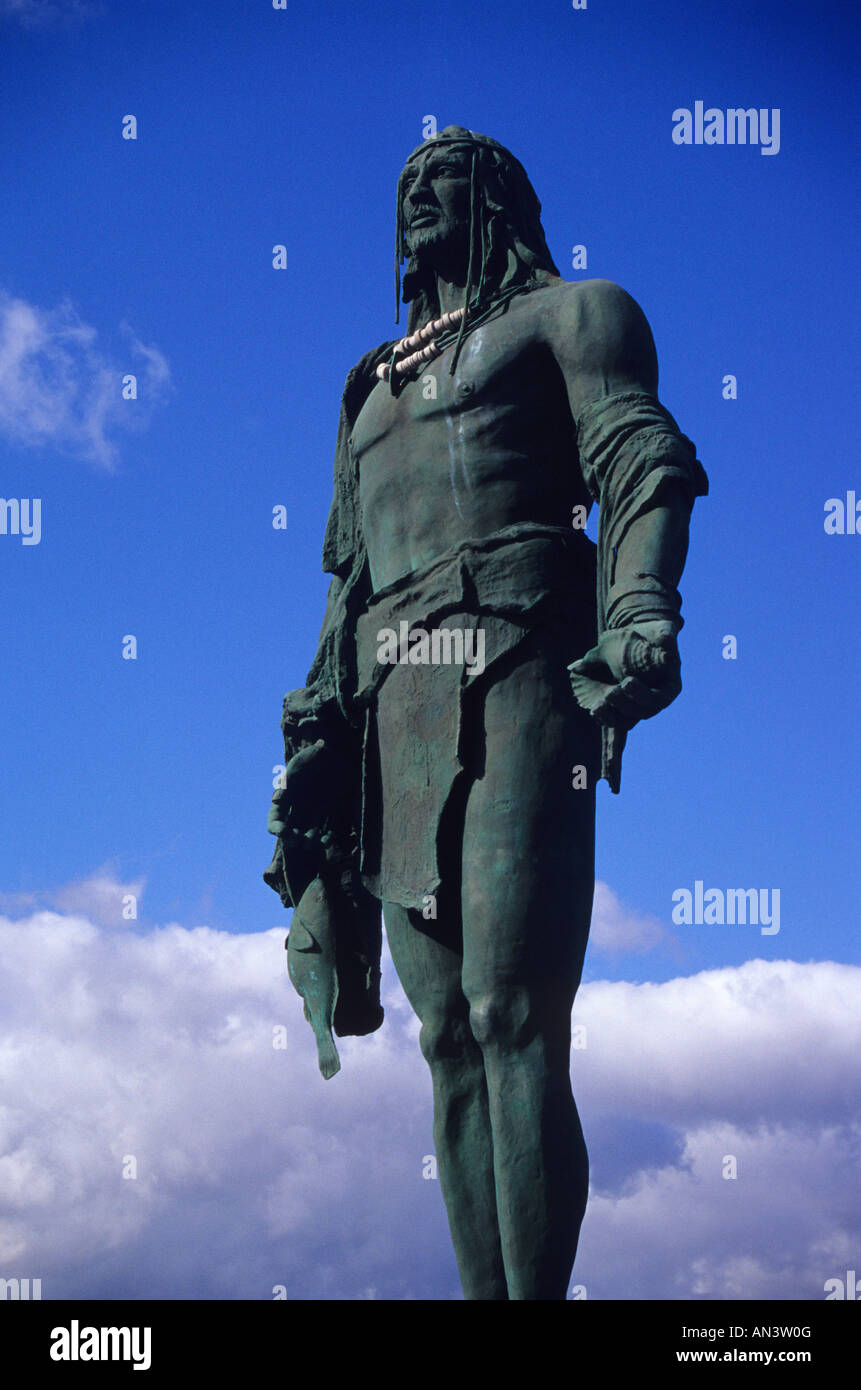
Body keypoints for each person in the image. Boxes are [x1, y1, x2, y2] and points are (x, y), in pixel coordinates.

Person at [265, 126, 707, 1300]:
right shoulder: (368, 385)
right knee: (444, 1037)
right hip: (391, 697)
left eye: (444, 183)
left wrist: (643, 603)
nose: (419, 200)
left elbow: (639, 460)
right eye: (406, 185)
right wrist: (313, 738)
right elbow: (344, 581)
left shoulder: (575, 314)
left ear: (499, 201)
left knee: (513, 1012)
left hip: (519, 655)